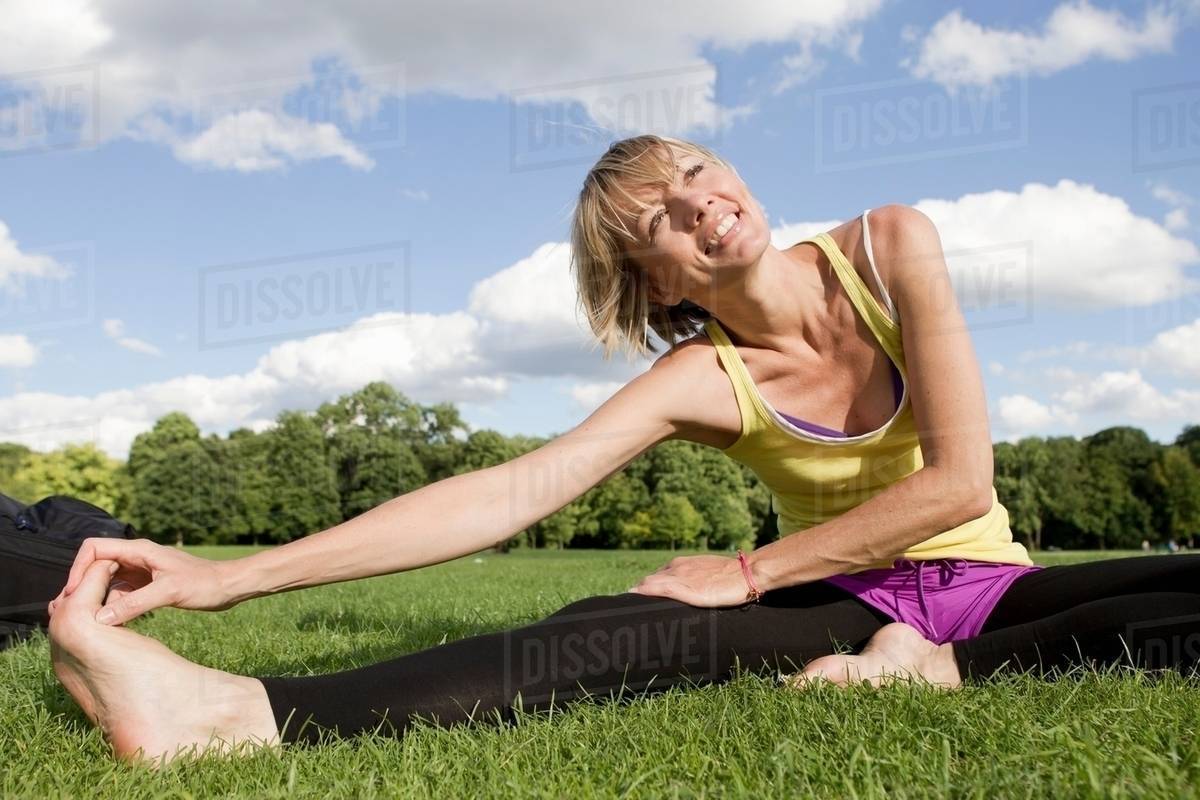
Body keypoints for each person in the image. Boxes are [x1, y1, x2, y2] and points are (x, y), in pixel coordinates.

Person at [46, 135, 1200, 766]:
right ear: (656, 284)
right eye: (660, 216)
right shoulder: (702, 375)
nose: (700, 203)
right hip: (840, 594)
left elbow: (959, 480)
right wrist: (228, 576)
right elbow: (504, 496)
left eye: (696, 171)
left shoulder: (891, 243)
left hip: (987, 586)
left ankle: (937, 664)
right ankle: (238, 713)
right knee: (600, 628)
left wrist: (747, 570)